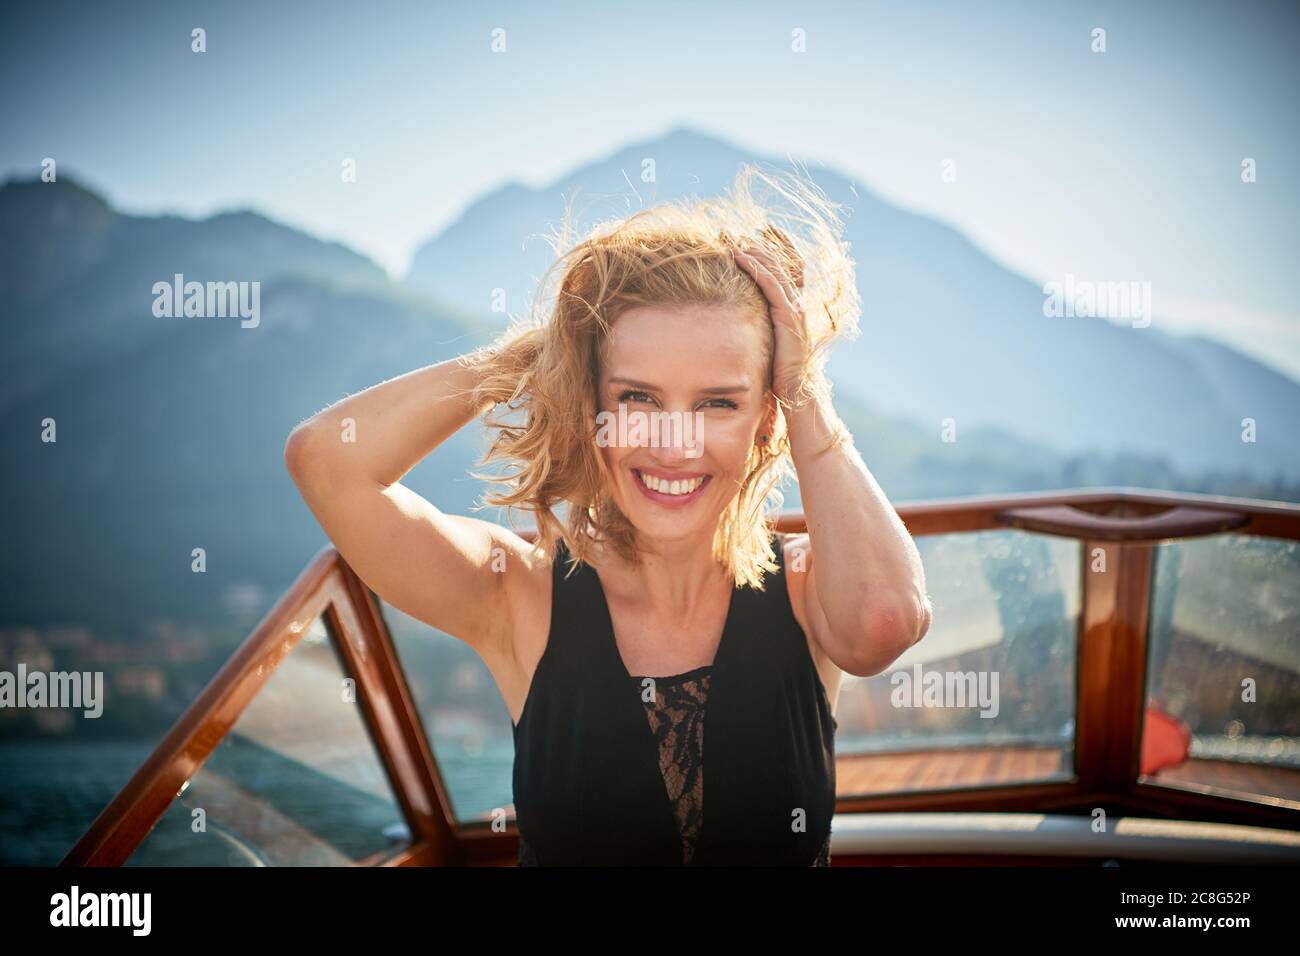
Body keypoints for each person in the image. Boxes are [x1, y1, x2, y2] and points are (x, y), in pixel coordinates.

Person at [284, 163, 932, 865]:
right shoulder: (517, 595)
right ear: (590, 408)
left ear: (766, 422)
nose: (674, 445)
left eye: (718, 402)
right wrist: (545, 351)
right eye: (638, 398)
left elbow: (885, 624)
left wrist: (806, 393)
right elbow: (326, 459)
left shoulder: (811, 590)